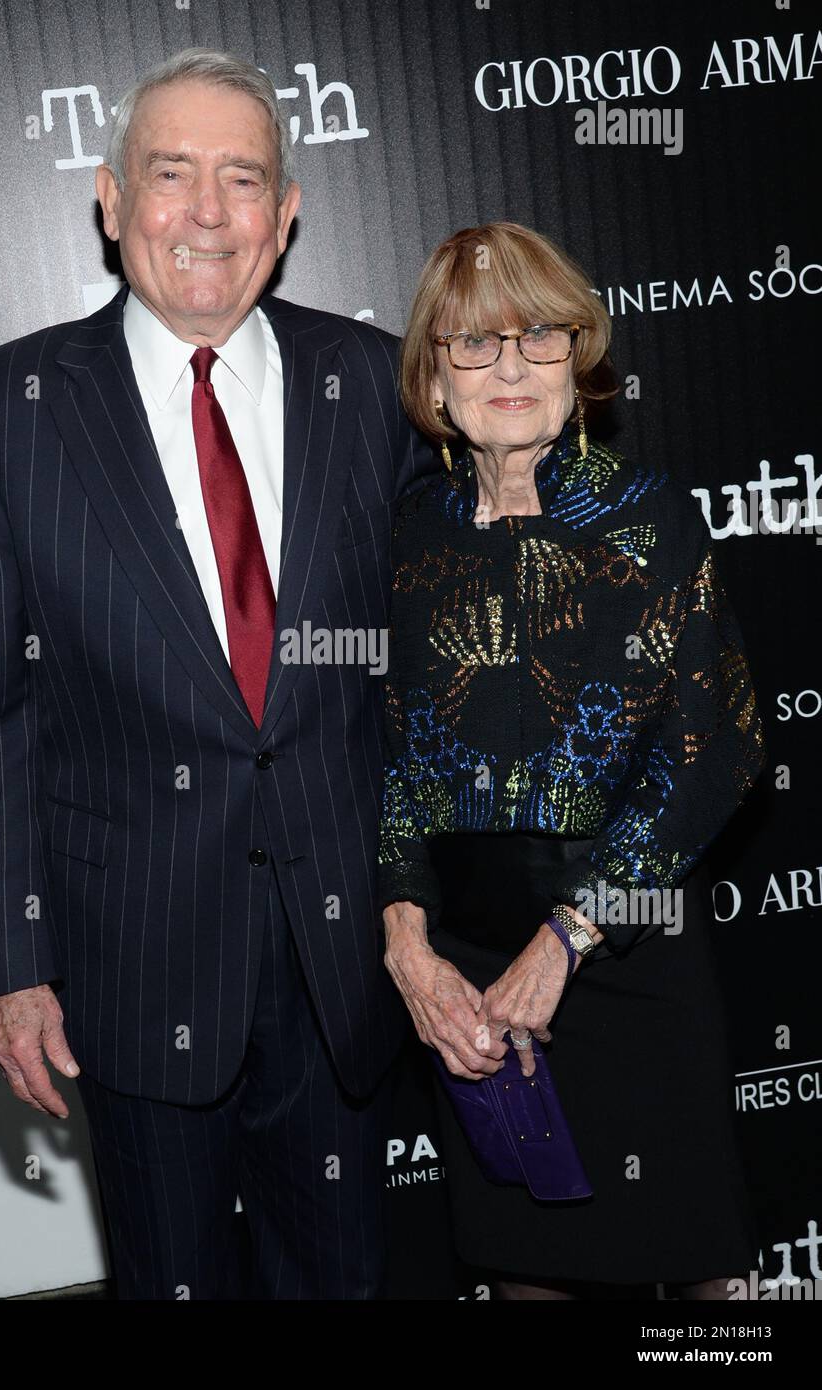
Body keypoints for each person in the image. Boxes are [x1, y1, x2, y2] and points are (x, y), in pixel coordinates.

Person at [0, 47, 437, 1300]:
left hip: (346, 959)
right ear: (110, 199)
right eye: (171, 174)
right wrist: (10, 966)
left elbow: (428, 683)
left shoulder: (376, 386)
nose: (208, 213)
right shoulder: (4, 409)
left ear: (288, 212)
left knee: (349, 1283)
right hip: (132, 953)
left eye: (243, 178)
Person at [378, 221, 767, 1300]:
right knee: (524, 1277)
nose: (510, 366)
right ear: (433, 380)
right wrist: (410, 946)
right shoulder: (409, 540)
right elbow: (392, 763)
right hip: (470, 979)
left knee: (697, 1278)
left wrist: (569, 935)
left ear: (578, 359)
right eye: (473, 343)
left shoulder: (650, 521)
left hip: (626, 955)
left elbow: (715, 747)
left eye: (539, 336)